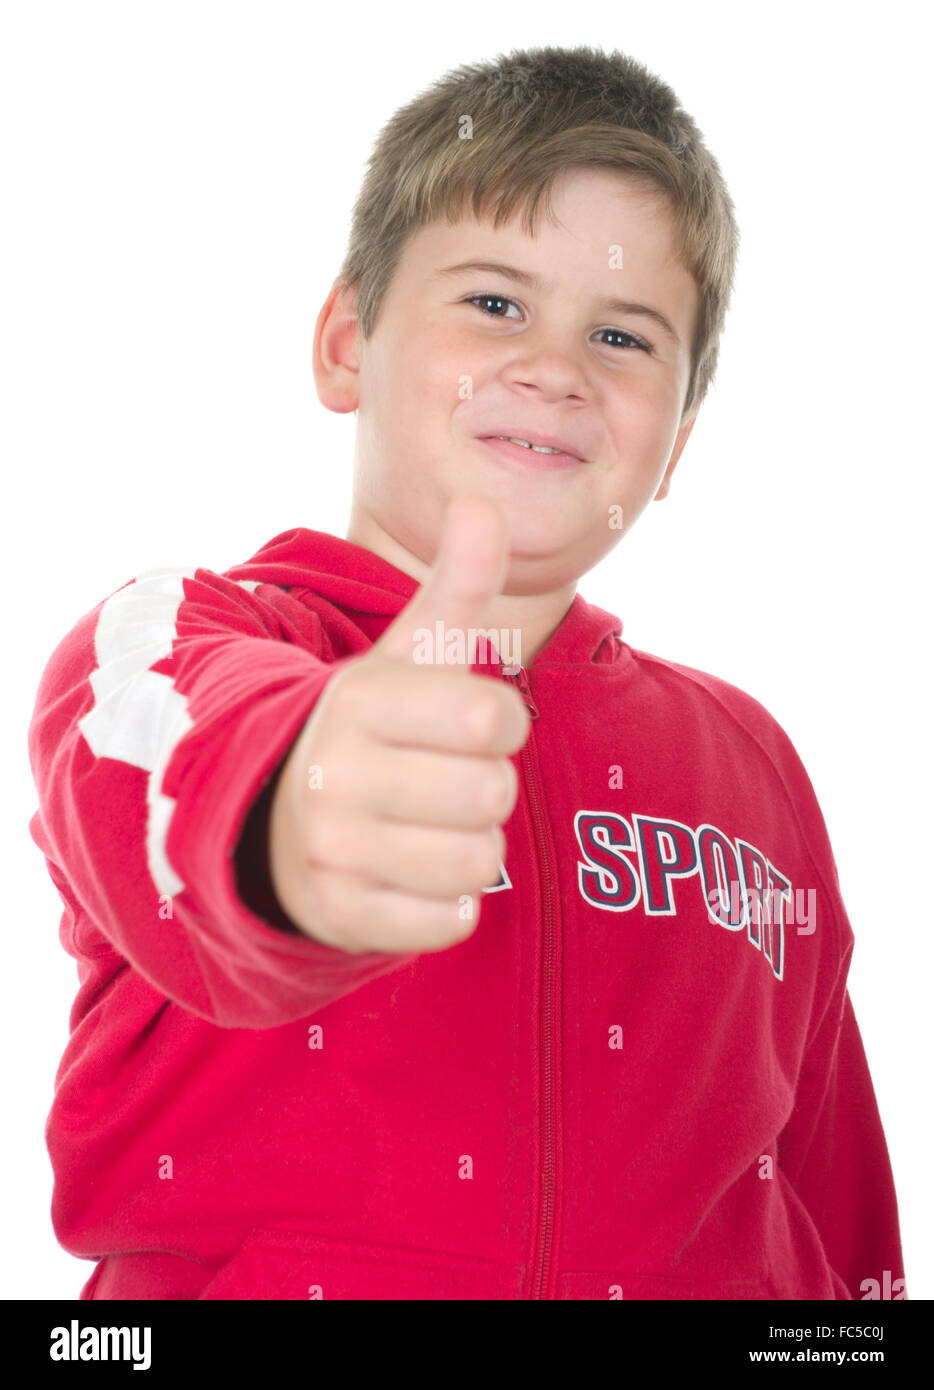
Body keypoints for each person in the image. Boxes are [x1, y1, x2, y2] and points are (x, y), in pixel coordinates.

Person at [28, 44, 906, 1301]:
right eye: (494, 303)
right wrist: (300, 799)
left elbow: (826, 1179)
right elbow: (183, 768)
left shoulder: (752, 761)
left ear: (675, 445)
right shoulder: (179, 638)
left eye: (620, 334)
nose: (554, 368)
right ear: (345, 344)